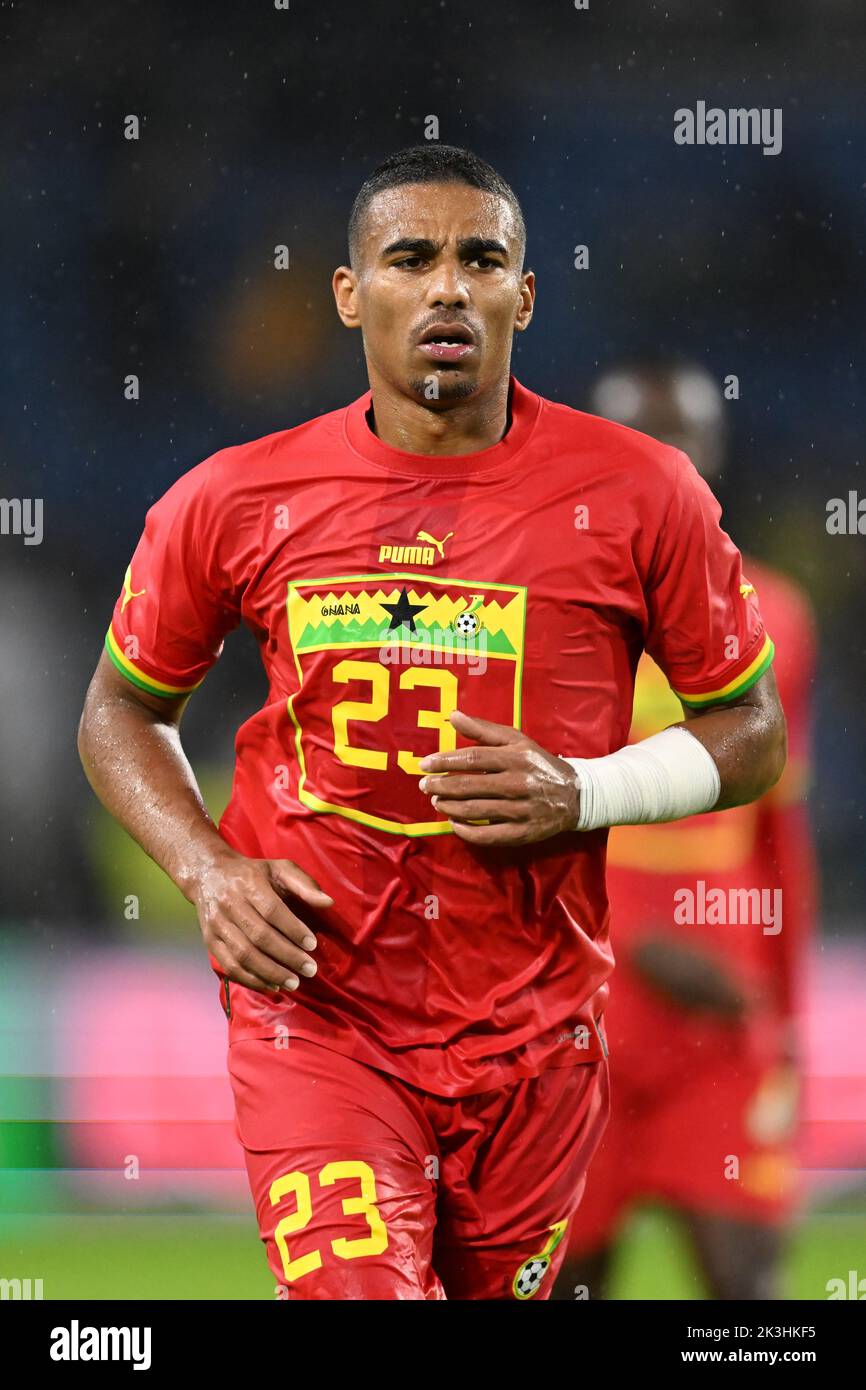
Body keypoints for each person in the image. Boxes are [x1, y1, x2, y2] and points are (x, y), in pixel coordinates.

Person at [77, 146, 786, 1301]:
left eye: (480, 259)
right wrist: (207, 871)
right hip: (321, 1012)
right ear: (352, 294)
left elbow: (748, 726)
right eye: (411, 258)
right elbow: (120, 708)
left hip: (535, 1033)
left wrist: (584, 790)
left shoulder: (642, 493)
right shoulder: (232, 498)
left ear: (524, 295)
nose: (447, 287)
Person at [554, 360, 817, 1301]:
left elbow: (777, 838)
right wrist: (633, 941)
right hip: (581, 1019)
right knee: (570, 1285)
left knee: (752, 1296)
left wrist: (786, 1014)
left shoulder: (776, 615)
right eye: (644, 441)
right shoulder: (551, 616)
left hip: (722, 1023)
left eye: (690, 441)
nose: (672, 462)